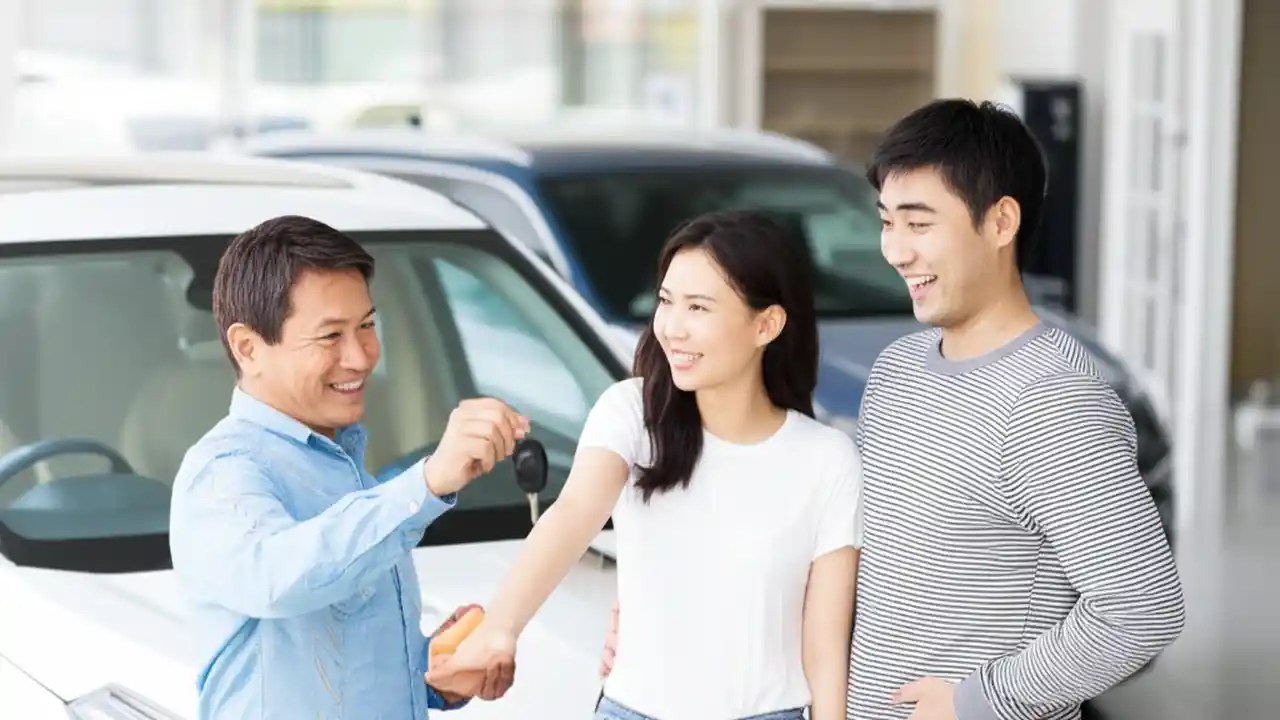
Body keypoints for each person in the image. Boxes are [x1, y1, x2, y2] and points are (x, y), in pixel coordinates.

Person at [603, 100, 1187, 720]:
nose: (895, 251)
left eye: (919, 224)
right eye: (886, 222)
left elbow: (1142, 607)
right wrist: (669, 627)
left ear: (1001, 222)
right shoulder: (899, 370)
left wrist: (978, 701)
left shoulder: (1055, 400)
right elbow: (855, 563)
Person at [426, 210, 863, 719]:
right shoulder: (631, 413)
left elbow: (825, 648)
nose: (672, 328)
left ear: (766, 324)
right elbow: (570, 517)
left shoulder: (826, 460)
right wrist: (501, 628)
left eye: (699, 307)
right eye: (666, 302)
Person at [169, 215, 526, 719]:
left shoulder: (346, 464)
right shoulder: (223, 471)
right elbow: (278, 577)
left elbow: (335, 666)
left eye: (366, 326)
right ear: (249, 348)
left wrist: (434, 671)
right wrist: (425, 483)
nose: (360, 357)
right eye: (330, 336)